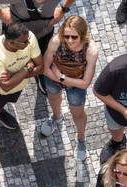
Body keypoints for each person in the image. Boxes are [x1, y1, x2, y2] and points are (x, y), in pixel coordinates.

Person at [36, 15, 96, 159]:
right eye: (66, 36)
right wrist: (58, 78)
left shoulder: (90, 50)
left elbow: (85, 83)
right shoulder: (56, 41)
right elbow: (45, 68)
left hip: (75, 84)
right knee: (54, 100)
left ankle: (81, 139)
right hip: (53, 78)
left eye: (74, 37)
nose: (69, 40)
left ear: (82, 35)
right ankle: (56, 118)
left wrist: (62, 78)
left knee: (78, 114)